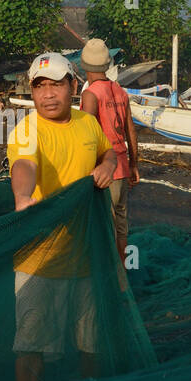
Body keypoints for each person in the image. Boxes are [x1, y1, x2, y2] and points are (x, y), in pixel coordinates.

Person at [7, 52, 117, 381]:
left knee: (91, 343)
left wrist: (108, 165)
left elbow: (108, 150)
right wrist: (22, 197)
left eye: (56, 85)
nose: (48, 94)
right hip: (39, 260)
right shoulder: (27, 129)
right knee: (31, 346)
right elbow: (24, 165)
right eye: (39, 86)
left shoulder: (87, 122)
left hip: (86, 255)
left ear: (73, 85)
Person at [77, 38, 139, 262]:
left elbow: (86, 136)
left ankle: (108, 273)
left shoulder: (90, 94)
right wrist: (134, 165)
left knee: (104, 225)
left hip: (104, 170)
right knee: (120, 224)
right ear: (106, 64)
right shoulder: (119, 91)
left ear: (84, 65)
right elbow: (131, 130)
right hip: (122, 167)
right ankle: (122, 270)